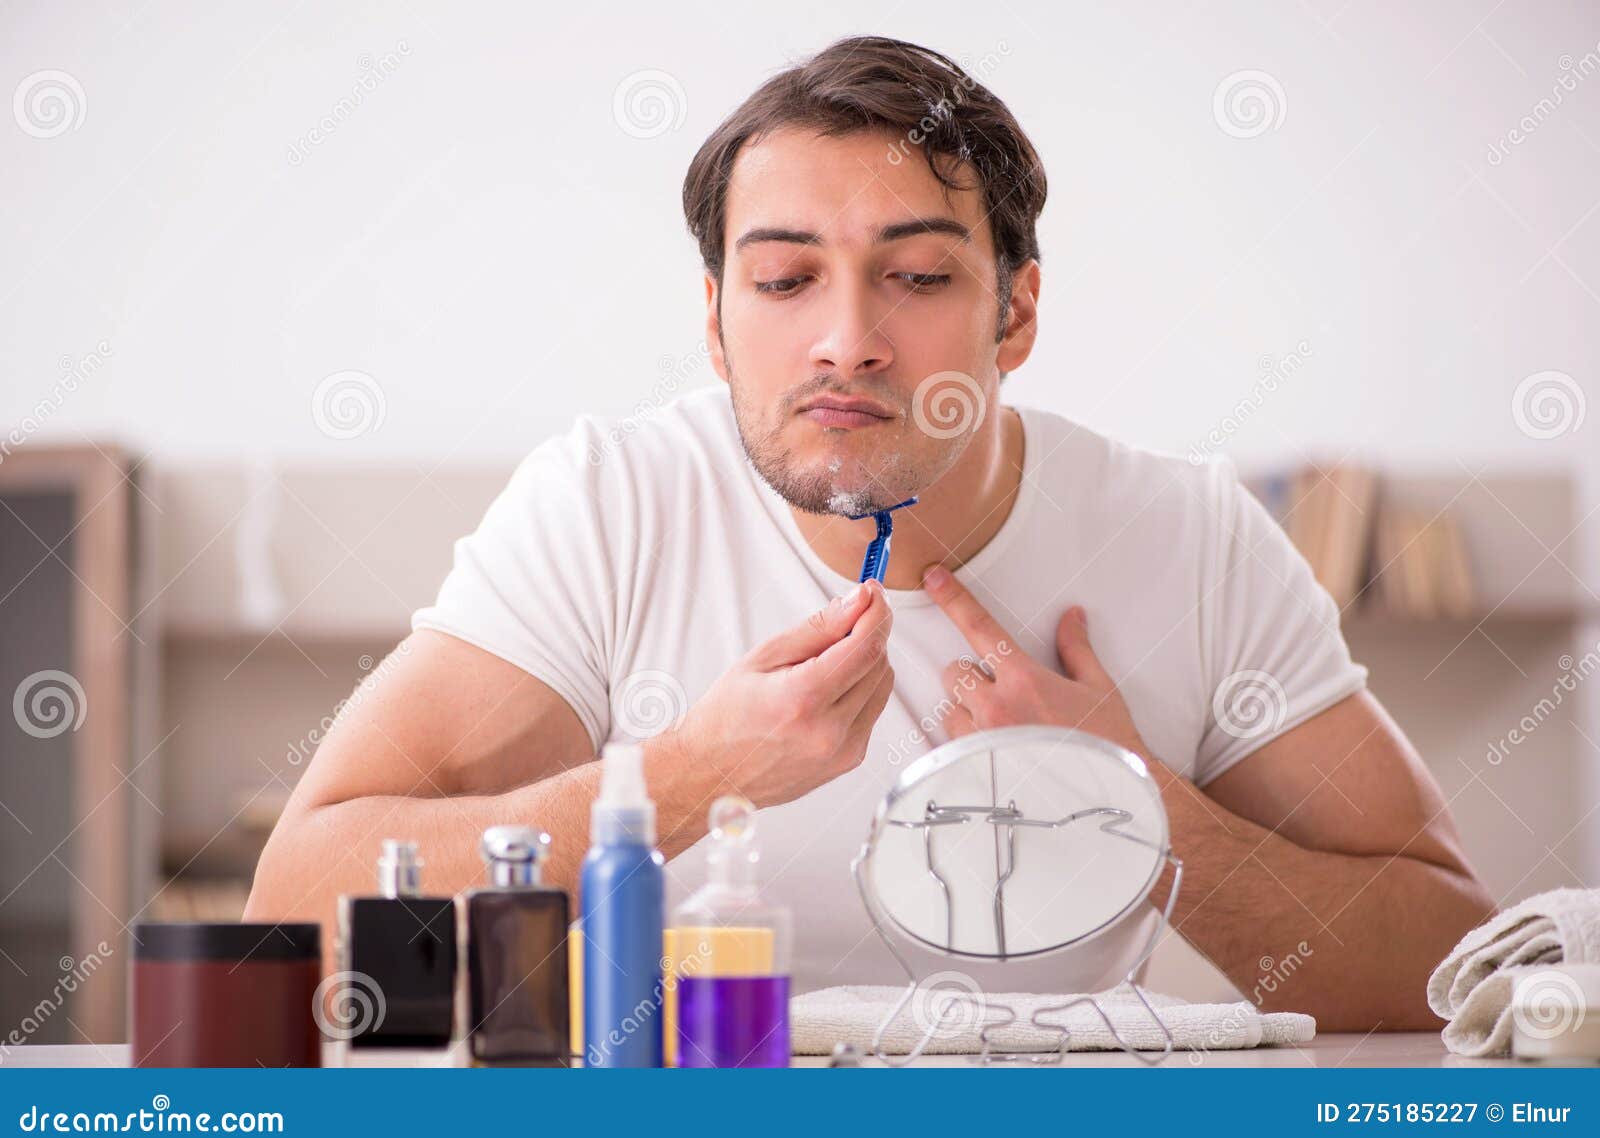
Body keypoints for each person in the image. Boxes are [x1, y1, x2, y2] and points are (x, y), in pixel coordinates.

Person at [246, 35, 1494, 1030]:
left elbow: (1453, 960)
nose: (845, 338)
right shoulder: (606, 506)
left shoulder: (1193, 537)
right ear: (717, 320)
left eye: (918, 275)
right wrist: (686, 780)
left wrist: (1135, 812)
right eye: (785, 281)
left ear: (1014, 316)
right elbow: (294, 919)